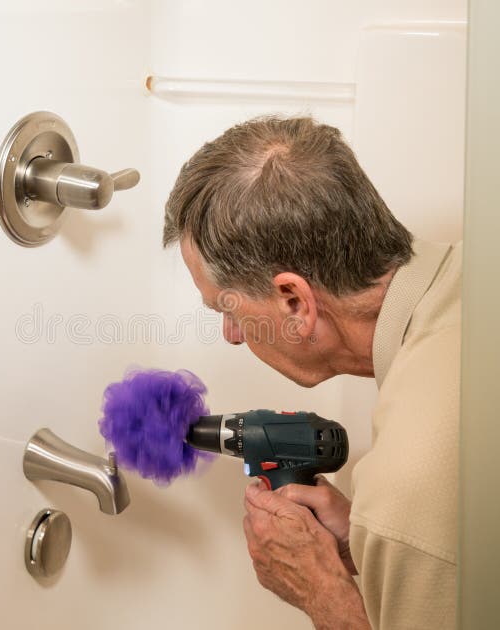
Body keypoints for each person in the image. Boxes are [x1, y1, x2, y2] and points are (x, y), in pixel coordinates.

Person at [162, 116, 460, 629]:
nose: (232, 335)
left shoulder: (407, 488)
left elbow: (418, 511)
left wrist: (325, 594)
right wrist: (371, 544)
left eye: (227, 310)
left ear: (295, 301)